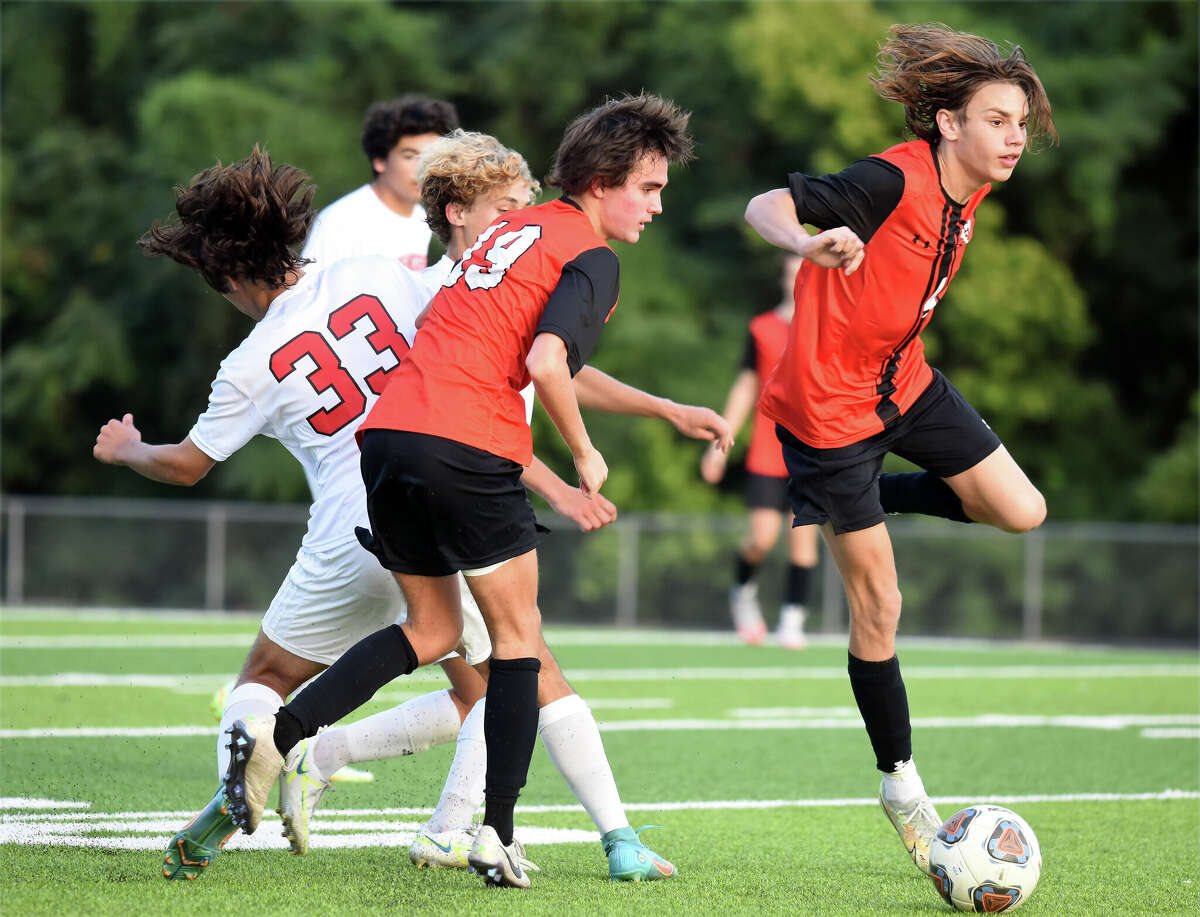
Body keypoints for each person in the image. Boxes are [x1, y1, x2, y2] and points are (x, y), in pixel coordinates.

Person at [225, 94, 736, 889]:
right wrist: (583, 455)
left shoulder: (507, 231)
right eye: (649, 186)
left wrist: (658, 408)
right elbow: (543, 364)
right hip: (468, 447)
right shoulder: (592, 257)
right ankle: (495, 832)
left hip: (386, 440)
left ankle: (283, 733)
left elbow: (492, 341)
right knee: (518, 642)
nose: (658, 205)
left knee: (431, 630)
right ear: (602, 181)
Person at [92, 139, 595, 880]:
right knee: (496, 679)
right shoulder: (373, 274)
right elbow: (468, 347)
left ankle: (254, 766)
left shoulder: (251, 361)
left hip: (350, 528)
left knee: (264, 671)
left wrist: (127, 447)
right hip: (440, 495)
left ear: (229, 273)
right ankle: (462, 828)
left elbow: (187, 464)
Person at [744, 22, 1054, 878]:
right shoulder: (889, 180)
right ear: (949, 124)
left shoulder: (973, 188)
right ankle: (900, 780)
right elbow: (763, 204)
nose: (1015, 137)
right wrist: (806, 240)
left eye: (1021, 122)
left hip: (903, 381)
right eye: (997, 119)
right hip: (829, 412)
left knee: (1022, 511)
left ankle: (864, 505)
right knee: (880, 606)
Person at [700, 254, 820, 649]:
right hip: (769, 450)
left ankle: (792, 620)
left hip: (814, 449)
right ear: (784, 279)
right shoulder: (762, 328)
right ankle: (743, 592)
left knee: (803, 538)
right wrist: (720, 443)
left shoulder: (826, 327)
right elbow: (745, 387)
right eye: (791, 273)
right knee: (762, 539)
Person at [301, 94, 459, 271]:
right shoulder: (341, 221)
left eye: (432, 156)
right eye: (410, 156)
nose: (424, 168)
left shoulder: (420, 219)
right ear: (380, 160)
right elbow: (307, 293)